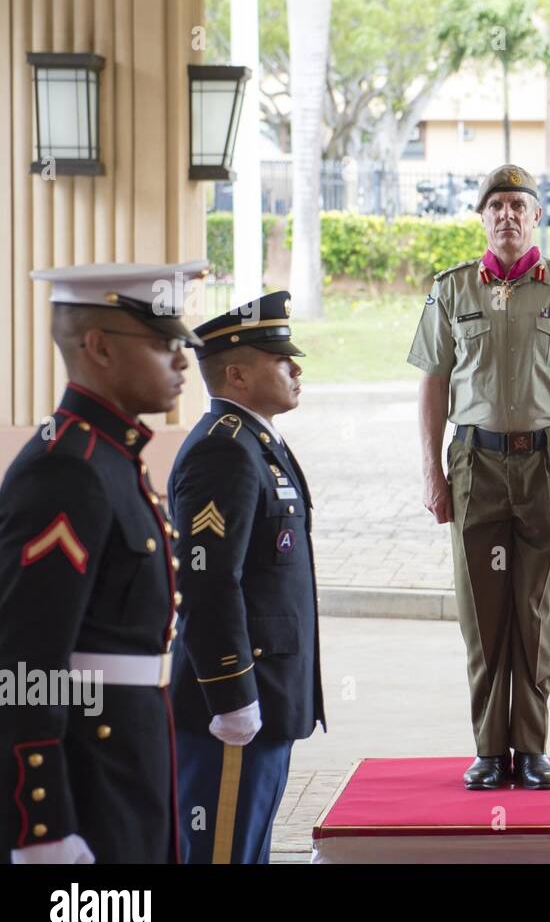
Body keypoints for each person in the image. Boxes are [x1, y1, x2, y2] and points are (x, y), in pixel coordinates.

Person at [408, 164, 550, 791]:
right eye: (496, 204)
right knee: (482, 610)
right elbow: (432, 383)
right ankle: (487, 748)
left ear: (536, 218)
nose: (507, 214)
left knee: (536, 609)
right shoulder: (451, 291)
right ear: (482, 217)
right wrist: (431, 472)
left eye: (519, 205)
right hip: (474, 463)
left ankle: (530, 747)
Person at [1, 261, 208, 863]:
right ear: (98, 347)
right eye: (164, 344)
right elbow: (24, 661)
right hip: (89, 776)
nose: (181, 361)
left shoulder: (114, 458)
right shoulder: (66, 467)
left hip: (131, 753)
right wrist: (44, 827)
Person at [168, 290, 324, 863]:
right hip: (236, 705)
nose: (296, 368)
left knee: (246, 850)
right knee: (222, 854)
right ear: (236, 373)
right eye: (281, 360)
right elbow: (207, 584)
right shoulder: (225, 451)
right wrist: (232, 695)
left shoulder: (257, 442)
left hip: (269, 697)